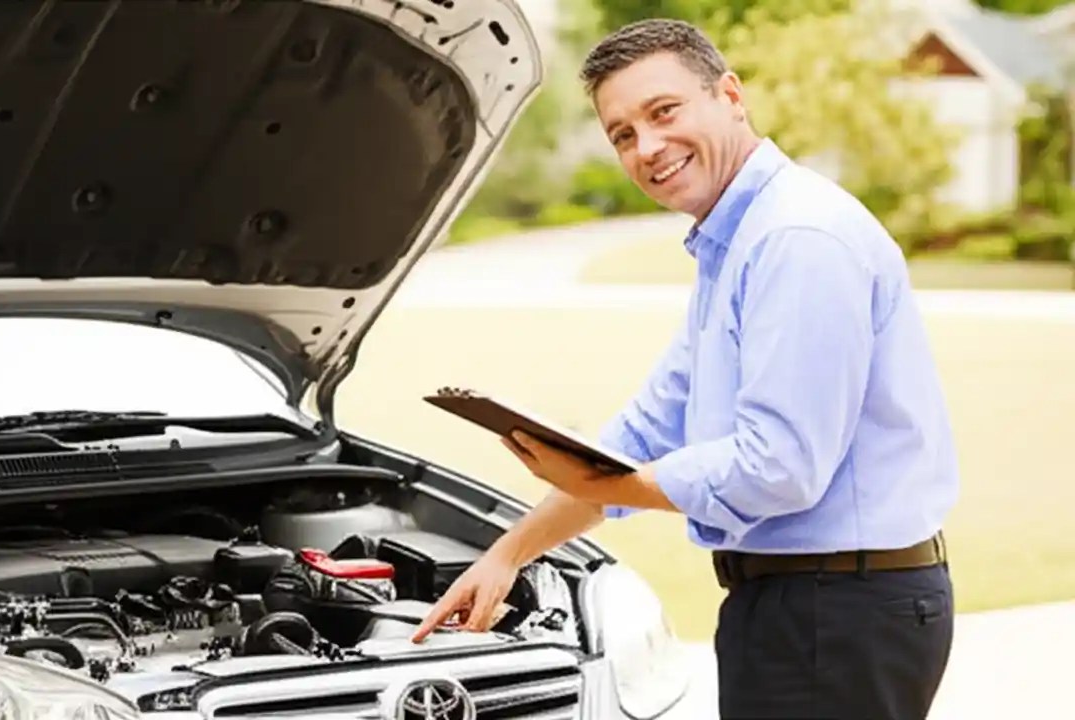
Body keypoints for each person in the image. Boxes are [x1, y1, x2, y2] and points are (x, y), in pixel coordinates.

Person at [411, 17, 959, 720]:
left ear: (730, 96)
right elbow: (647, 429)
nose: (648, 147)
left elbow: (781, 467)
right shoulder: (733, 243)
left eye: (663, 112)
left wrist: (626, 488)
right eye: (623, 135)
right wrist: (508, 554)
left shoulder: (797, 239)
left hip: (838, 615)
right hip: (795, 606)